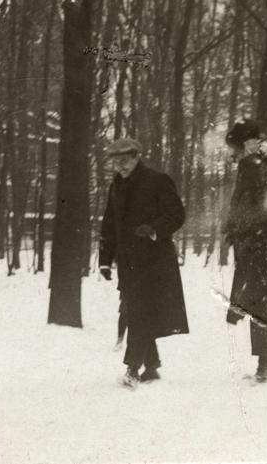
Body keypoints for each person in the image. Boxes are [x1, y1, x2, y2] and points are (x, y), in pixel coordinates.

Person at [98, 138, 188, 388]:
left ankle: (132, 368)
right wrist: (105, 260)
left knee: (138, 313)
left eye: (124, 161)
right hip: (128, 263)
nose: (120, 166)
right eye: (115, 162)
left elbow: (177, 215)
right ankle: (151, 366)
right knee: (138, 312)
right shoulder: (116, 186)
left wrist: (154, 229)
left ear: (137, 157)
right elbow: (109, 225)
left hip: (155, 261)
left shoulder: (157, 181)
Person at [223, 119, 267, 383]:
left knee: (255, 301)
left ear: (246, 143)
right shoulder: (266, 160)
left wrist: (239, 230)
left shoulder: (257, 162)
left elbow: (256, 202)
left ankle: (264, 365)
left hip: (263, 242)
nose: (232, 154)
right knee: (261, 300)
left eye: (235, 147)